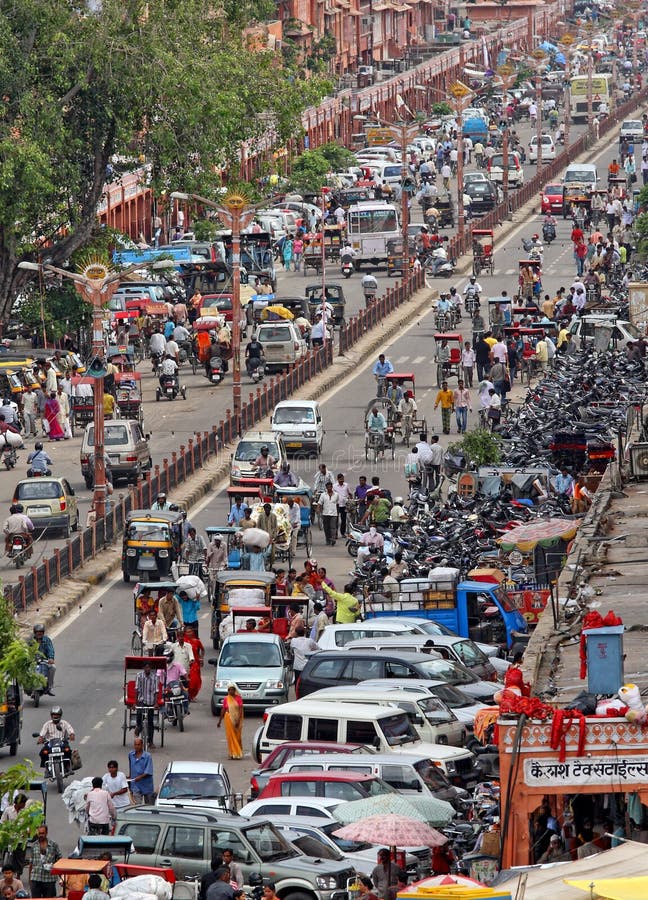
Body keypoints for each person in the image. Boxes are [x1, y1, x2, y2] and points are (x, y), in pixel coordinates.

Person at [26, 824, 61, 898]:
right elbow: (31, 863)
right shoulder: (33, 845)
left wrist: (53, 866)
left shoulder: (53, 845)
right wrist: (30, 880)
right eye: (39, 833)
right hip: (36, 878)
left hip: (49, 879)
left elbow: (60, 860)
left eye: (43, 833)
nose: (41, 835)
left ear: (46, 833)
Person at [134, 662, 159, 746]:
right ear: (143, 668)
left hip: (151, 701)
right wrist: (135, 703)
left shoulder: (155, 677)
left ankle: (150, 741)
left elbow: (156, 691)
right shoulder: (139, 676)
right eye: (146, 667)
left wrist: (155, 703)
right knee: (139, 713)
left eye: (149, 667)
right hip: (141, 700)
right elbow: (136, 689)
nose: (147, 669)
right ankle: (138, 727)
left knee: (150, 722)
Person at [218, 683, 244, 759]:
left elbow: (240, 709)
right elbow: (223, 709)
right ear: (228, 690)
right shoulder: (226, 698)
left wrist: (238, 720)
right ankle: (233, 753)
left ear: (235, 690)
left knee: (237, 736)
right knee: (230, 736)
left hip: (237, 718)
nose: (231, 691)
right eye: (229, 690)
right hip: (228, 718)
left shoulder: (238, 698)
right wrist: (219, 721)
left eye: (232, 689)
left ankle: (238, 752)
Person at [128, 737, 154, 804]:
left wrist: (140, 777)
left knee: (149, 806)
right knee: (137, 805)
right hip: (135, 785)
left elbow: (148, 771)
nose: (137, 746)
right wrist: (130, 776)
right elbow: (130, 766)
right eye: (135, 744)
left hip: (147, 785)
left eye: (138, 744)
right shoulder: (131, 755)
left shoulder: (147, 756)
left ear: (142, 745)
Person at [317, 482, 339, 546]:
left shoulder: (336, 495)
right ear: (326, 487)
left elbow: (337, 503)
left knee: (333, 527)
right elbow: (320, 503)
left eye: (330, 487)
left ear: (332, 487)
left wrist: (337, 512)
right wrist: (318, 509)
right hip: (325, 513)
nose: (329, 488)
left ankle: (333, 539)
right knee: (326, 528)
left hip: (334, 514)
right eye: (328, 487)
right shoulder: (323, 495)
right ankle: (328, 539)